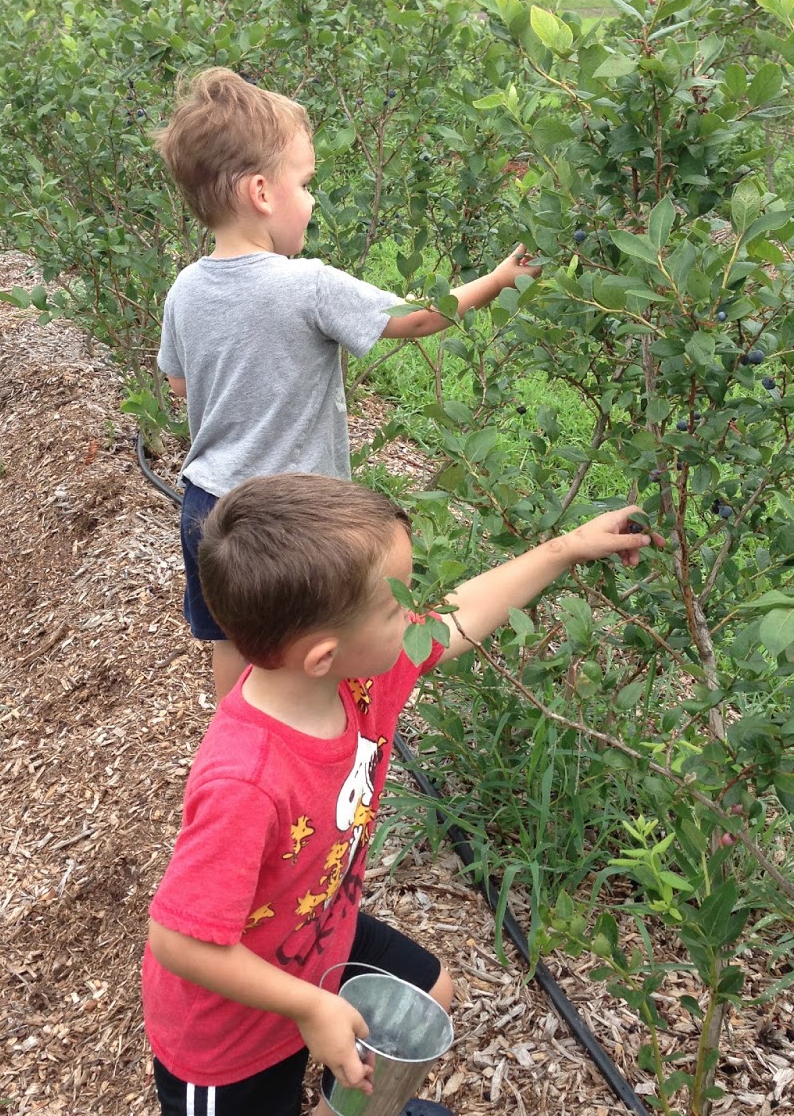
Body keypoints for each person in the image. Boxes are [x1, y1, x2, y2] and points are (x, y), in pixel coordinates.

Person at [102, 472, 657, 1116]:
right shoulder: (247, 779)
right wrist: (312, 1009)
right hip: (231, 1021)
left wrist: (560, 551)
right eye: (396, 602)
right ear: (323, 653)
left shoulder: (361, 682)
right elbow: (180, 938)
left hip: (313, 937)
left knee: (424, 988)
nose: (416, 614)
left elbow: (455, 617)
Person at [155, 67, 540, 702]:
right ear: (260, 192)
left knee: (233, 641)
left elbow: (178, 387)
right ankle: (321, 751)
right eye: (305, 184)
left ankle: (237, 743)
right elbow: (417, 316)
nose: (312, 200)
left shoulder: (185, 288)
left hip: (209, 509)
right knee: (317, 644)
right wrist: (496, 280)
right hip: (294, 524)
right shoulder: (305, 283)